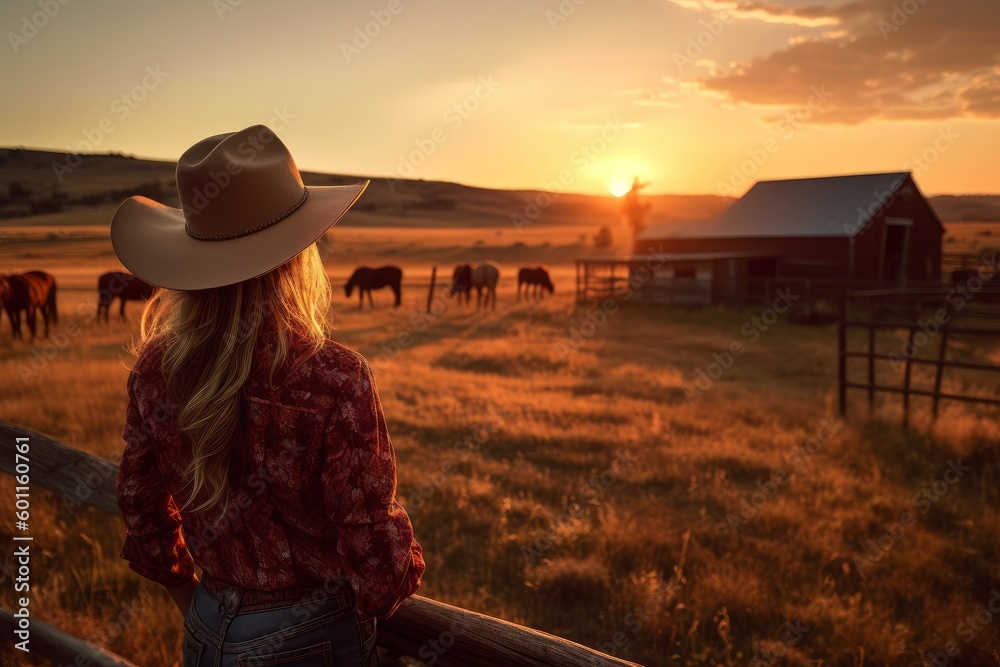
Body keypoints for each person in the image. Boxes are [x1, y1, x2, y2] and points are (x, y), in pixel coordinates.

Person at [111, 124, 425, 666]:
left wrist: (196, 602)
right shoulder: (335, 378)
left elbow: (141, 507)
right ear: (298, 256)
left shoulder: (158, 367)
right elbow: (379, 567)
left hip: (206, 626)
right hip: (315, 637)